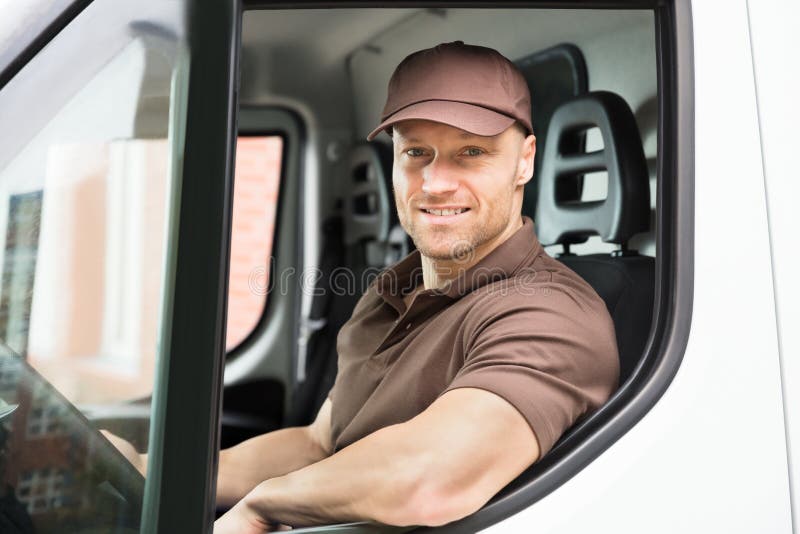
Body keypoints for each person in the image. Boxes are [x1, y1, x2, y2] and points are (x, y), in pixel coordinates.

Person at [110, 41, 620, 532]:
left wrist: (265, 504)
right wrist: (145, 467)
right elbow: (320, 445)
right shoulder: (387, 292)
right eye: (417, 152)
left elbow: (430, 478)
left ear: (525, 160)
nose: (436, 182)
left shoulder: (551, 314)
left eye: (471, 152)